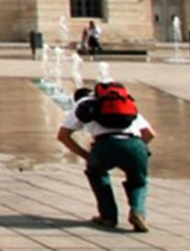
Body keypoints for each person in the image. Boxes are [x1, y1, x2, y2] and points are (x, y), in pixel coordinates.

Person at [58, 83, 156, 232]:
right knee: (138, 181)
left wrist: (86, 155)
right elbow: (149, 134)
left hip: (104, 145)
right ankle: (137, 211)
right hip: (135, 144)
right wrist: (139, 149)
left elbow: (63, 136)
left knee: (97, 174)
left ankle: (108, 217)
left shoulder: (83, 103)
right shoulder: (124, 102)